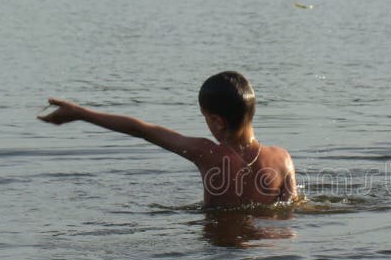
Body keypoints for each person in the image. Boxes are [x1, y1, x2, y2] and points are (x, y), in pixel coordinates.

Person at [39, 71, 297, 207]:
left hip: (218, 248)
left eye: (205, 118)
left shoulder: (208, 154)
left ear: (217, 121)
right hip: (264, 251)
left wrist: (80, 113)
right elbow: (291, 210)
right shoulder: (282, 158)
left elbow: (143, 130)